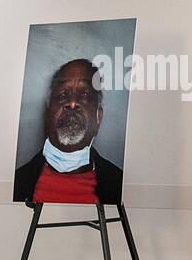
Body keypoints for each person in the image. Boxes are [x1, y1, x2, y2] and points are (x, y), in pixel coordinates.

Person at [13, 58, 123, 205]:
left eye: (84, 95)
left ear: (98, 117)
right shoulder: (18, 182)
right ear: (47, 114)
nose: (72, 103)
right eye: (62, 95)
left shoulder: (119, 185)